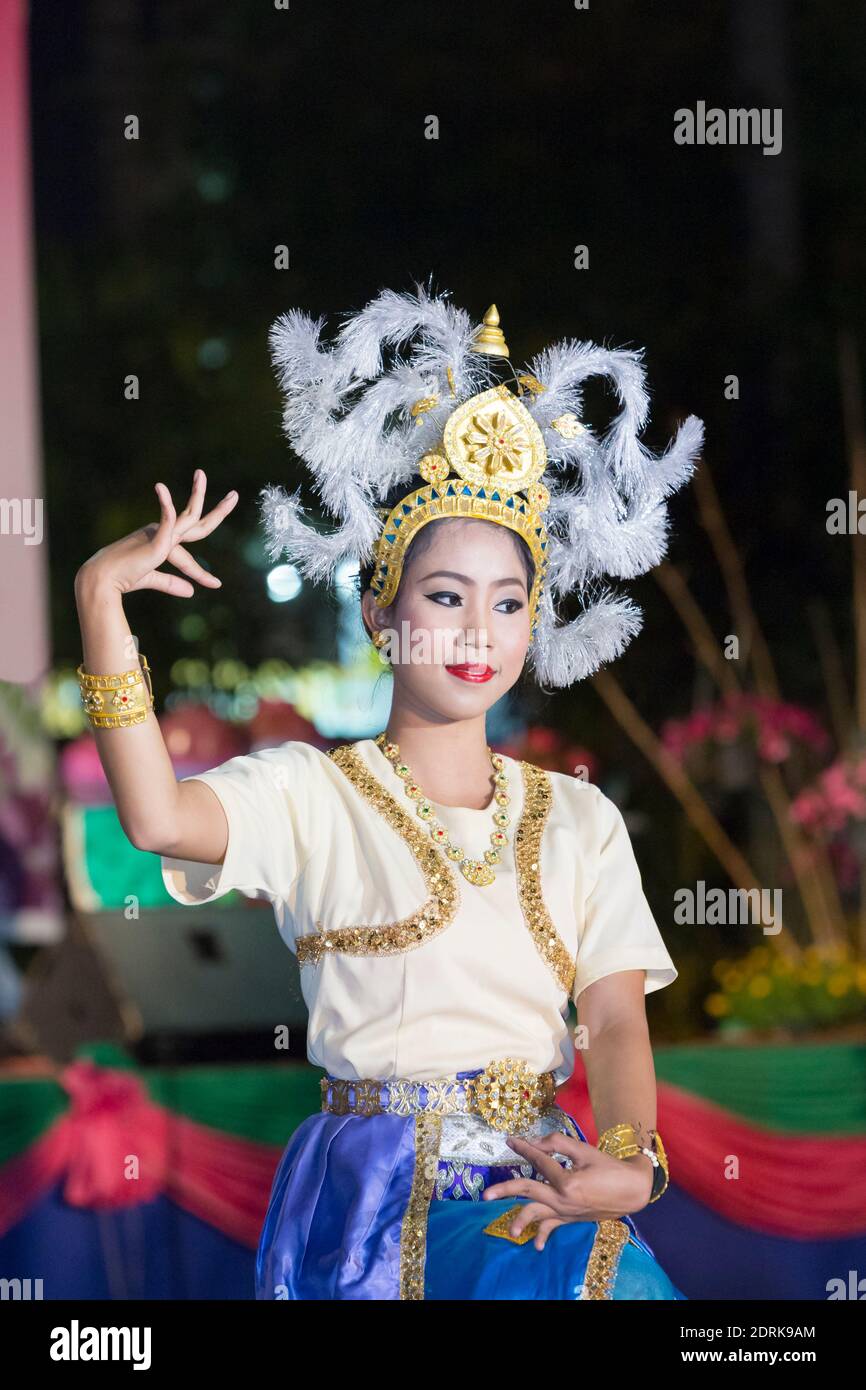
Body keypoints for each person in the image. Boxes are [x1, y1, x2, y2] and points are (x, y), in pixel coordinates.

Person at [74, 284, 703, 1300]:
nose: (474, 631)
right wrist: (100, 605)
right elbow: (156, 816)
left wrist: (630, 1163)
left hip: (541, 1180)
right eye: (444, 597)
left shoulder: (580, 819)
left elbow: (616, 1019)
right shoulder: (309, 795)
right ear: (381, 614)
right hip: (373, 1204)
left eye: (506, 604)